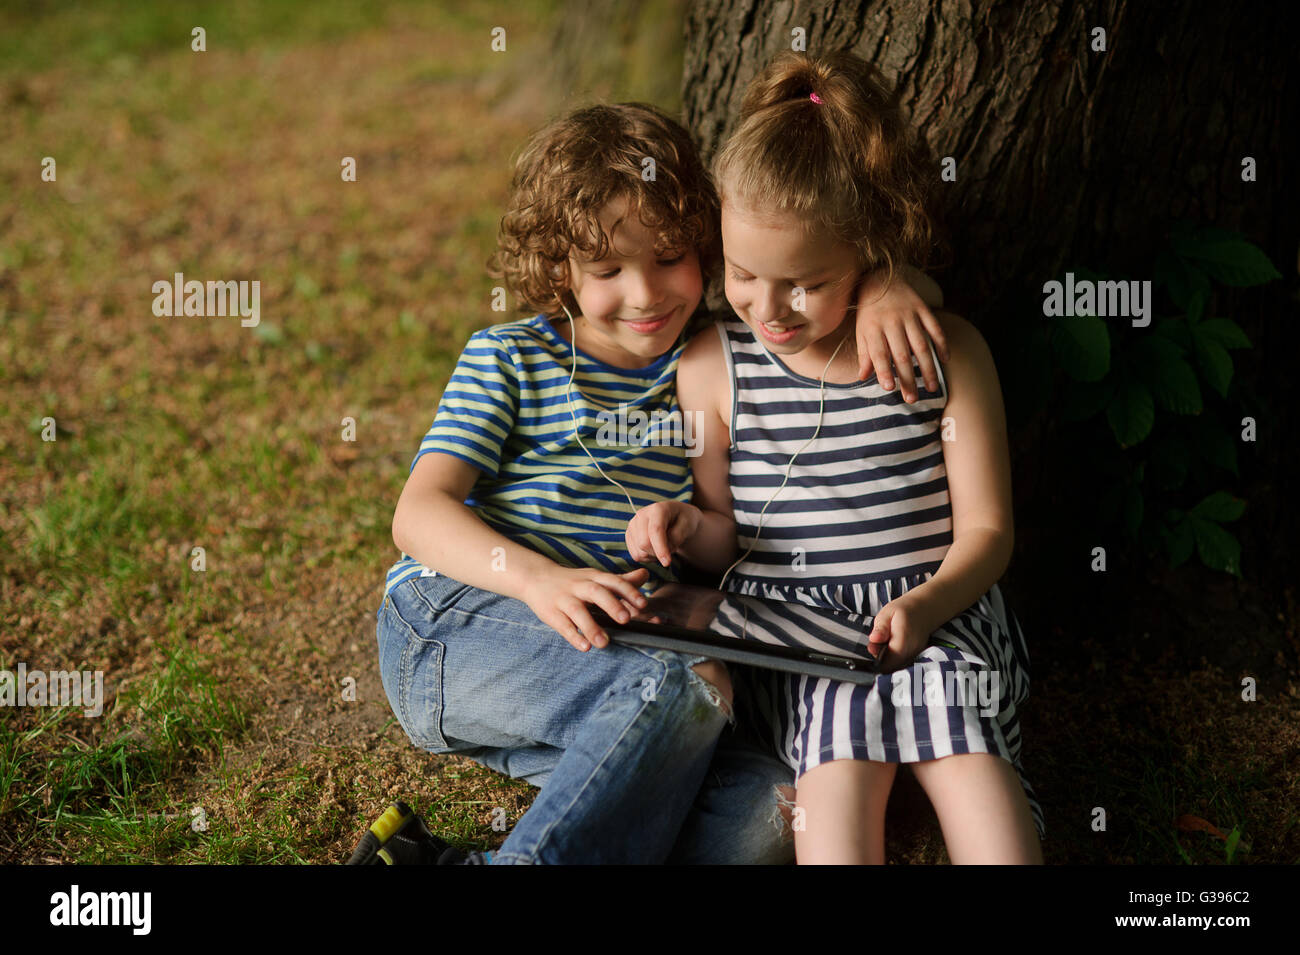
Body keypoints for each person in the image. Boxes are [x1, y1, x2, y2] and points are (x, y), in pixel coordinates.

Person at [371, 99, 946, 864]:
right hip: (460, 623)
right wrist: (539, 579)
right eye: (607, 270)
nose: (645, 294)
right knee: (684, 684)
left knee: (775, 809)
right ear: (558, 270)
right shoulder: (509, 357)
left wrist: (886, 283)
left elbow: (828, 298)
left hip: (613, 658)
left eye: (671, 255)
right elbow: (418, 514)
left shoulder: (715, 364)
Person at [626, 50, 1045, 864]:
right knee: (835, 796)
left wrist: (924, 608)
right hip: (800, 639)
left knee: (977, 778)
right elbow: (728, 535)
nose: (770, 308)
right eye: (744, 274)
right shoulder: (715, 367)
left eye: (806, 283)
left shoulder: (945, 352)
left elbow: (989, 532)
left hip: (939, 619)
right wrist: (682, 525)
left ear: (870, 250)